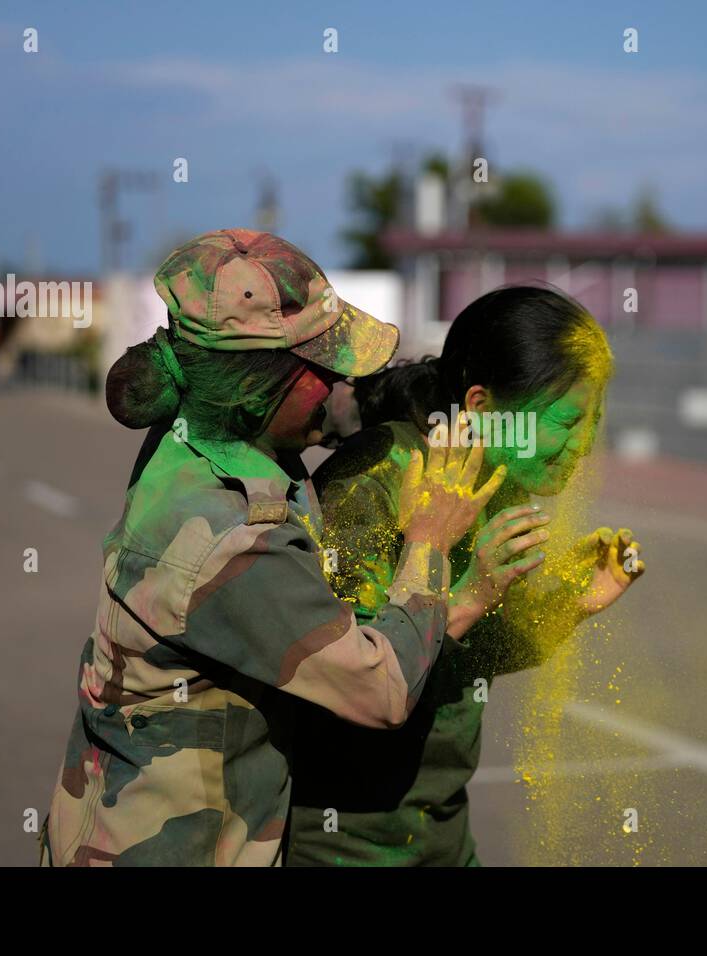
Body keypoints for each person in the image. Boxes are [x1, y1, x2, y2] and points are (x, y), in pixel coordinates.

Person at [40, 229, 503, 866]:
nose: (341, 379)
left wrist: (406, 403)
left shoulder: (201, 428)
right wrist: (429, 542)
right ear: (260, 384)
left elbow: (318, 416)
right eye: (324, 368)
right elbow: (381, 691)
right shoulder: (231, 539)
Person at [286, 285, 645, 866]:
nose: (583, 445)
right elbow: (347, 682)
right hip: (346, 835)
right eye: (567, 420)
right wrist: (472, 593)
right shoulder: (378, 475)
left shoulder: (499, 480)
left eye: (595, 420)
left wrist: (570, 605)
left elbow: (474, 652)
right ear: (480, 405)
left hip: (439, 825)